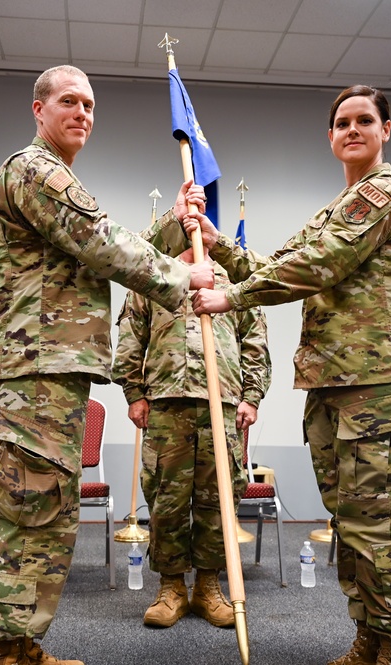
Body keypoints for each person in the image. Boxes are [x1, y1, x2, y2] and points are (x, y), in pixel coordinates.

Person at [186, 85, 391, 665]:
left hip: (381, 379)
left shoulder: (388, 191)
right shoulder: (333, 209)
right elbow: (280, 265)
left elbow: (320, 264)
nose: (353, 130)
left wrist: (231, 296)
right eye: (342, 123)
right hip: (333, 383)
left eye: (365, 120)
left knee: (379, 525)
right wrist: (222, 247)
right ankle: (368, 638)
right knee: (350, 524)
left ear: (386, 130)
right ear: (330, 138)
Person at [0, 64, 214, 665]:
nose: (82, 112)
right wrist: (181, 273)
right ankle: (6, 651)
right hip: (33, 369)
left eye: (89, 104)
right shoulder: (33, 170)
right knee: (30, 516)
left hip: (52, 370)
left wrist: (172, 223)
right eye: (68, 101)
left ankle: (23, 646)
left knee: (51, 516)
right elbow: (101, 241)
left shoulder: (56, 178)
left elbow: (98, 244)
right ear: (39, 109)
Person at [112, 241, 272, 630]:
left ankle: (207, 586)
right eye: (185, 225)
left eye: (199, 224)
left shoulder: (234, 279)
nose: (192, 232)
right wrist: (134, 393)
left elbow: (255, 340)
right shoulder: (154, 276)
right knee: (167, 497)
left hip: (222, 403)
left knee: (218, 498)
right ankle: (170, 588)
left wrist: (251, 396)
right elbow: (132, 336)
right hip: (167, 404)